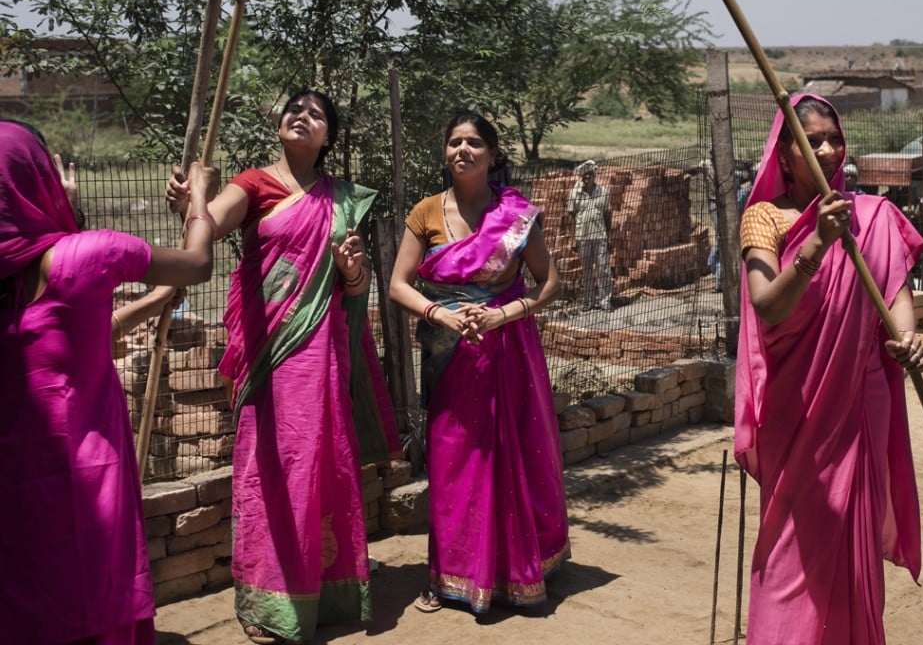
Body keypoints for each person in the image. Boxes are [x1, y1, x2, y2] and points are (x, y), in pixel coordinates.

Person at [166, 89, 401, 645]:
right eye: (295, 109)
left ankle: (326, 593)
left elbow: (354, 290)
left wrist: (352, 274)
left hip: (321, 355)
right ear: (279, 125)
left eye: (317, 114)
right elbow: (206, 229)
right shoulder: (252, 184)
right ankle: (271, 602)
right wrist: (193, 199)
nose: (304, 116)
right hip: (269, 357)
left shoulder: (341, 200)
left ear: (328, 136)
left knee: (321, 465)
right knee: (269, 468)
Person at [0, 120, 217, 645]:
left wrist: (149, 302)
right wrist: (200, 198)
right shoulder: (87, 255)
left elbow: (77, 333)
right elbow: (198, 262)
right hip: (85, 475)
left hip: (14, 484)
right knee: (91, 599)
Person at [735, 93, 923, 644]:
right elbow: (768, 304)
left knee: (853, 540)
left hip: (862, 403)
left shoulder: (872, 216)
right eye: (810, 139)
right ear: (785, 153)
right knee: (789, 552)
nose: (826, 148)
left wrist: (907, 339)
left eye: (833, 138)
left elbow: (896, 295)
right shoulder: (764, 219)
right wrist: (818, 241)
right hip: (796, 411)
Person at [389, 112, 569, 615]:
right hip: (449, 356)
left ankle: (516, 572)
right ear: (444, 153)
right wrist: (440, 315)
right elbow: (397, 283)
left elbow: (548, 283)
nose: (461, 150)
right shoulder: (426, 212)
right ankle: (450, 576)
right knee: (453, 459)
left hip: (508, 349)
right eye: (453, 142)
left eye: (473, 143)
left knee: (513, 451)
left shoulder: (515, 216)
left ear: (492, 155)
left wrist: (503, 314)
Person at [565, 158, 614, 310]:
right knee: (586, 270)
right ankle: (588, 301)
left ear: (594, 175)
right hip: (582, 236)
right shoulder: (575, 193)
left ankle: (605, 302)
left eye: (590, 174)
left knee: (603, 269)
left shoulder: (603, 192)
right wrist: (573, 238)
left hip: (600, 236)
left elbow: (607, 215)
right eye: (584, 175)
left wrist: (609, 236)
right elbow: (571, 216)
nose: (587, 178)